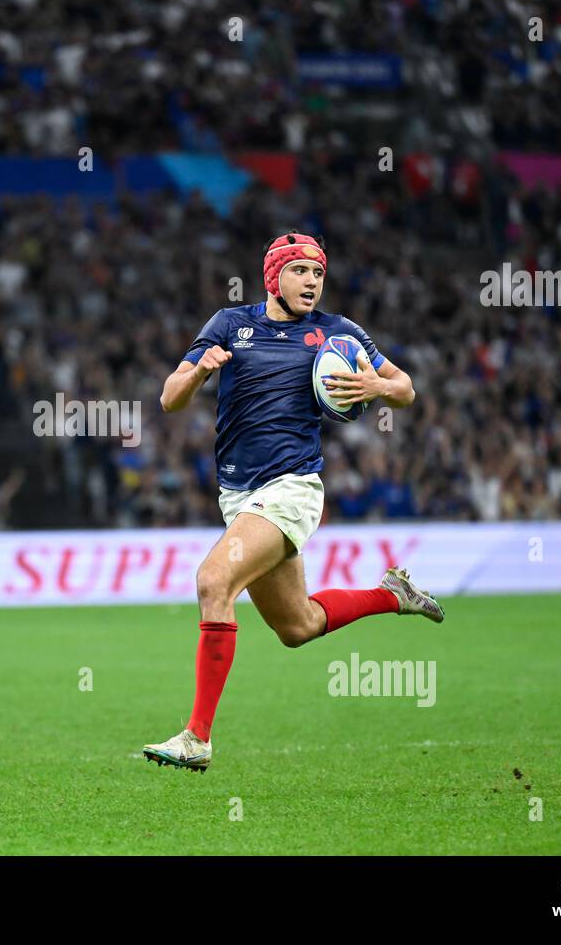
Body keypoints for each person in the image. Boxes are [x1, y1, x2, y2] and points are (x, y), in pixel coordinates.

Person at [142, 232, 444, 773]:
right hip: (239, 494)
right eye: (301, 270)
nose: (312, 281)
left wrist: (375, 387)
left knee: (214, 581)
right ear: (274, 275)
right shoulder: (229, 324)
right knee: (297, 627)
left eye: (318, 273)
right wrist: (200, 370)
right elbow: (169, 398)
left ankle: (197, 738)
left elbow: (406, 389)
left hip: (292, 489)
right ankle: (392, 594)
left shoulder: (336, 333)